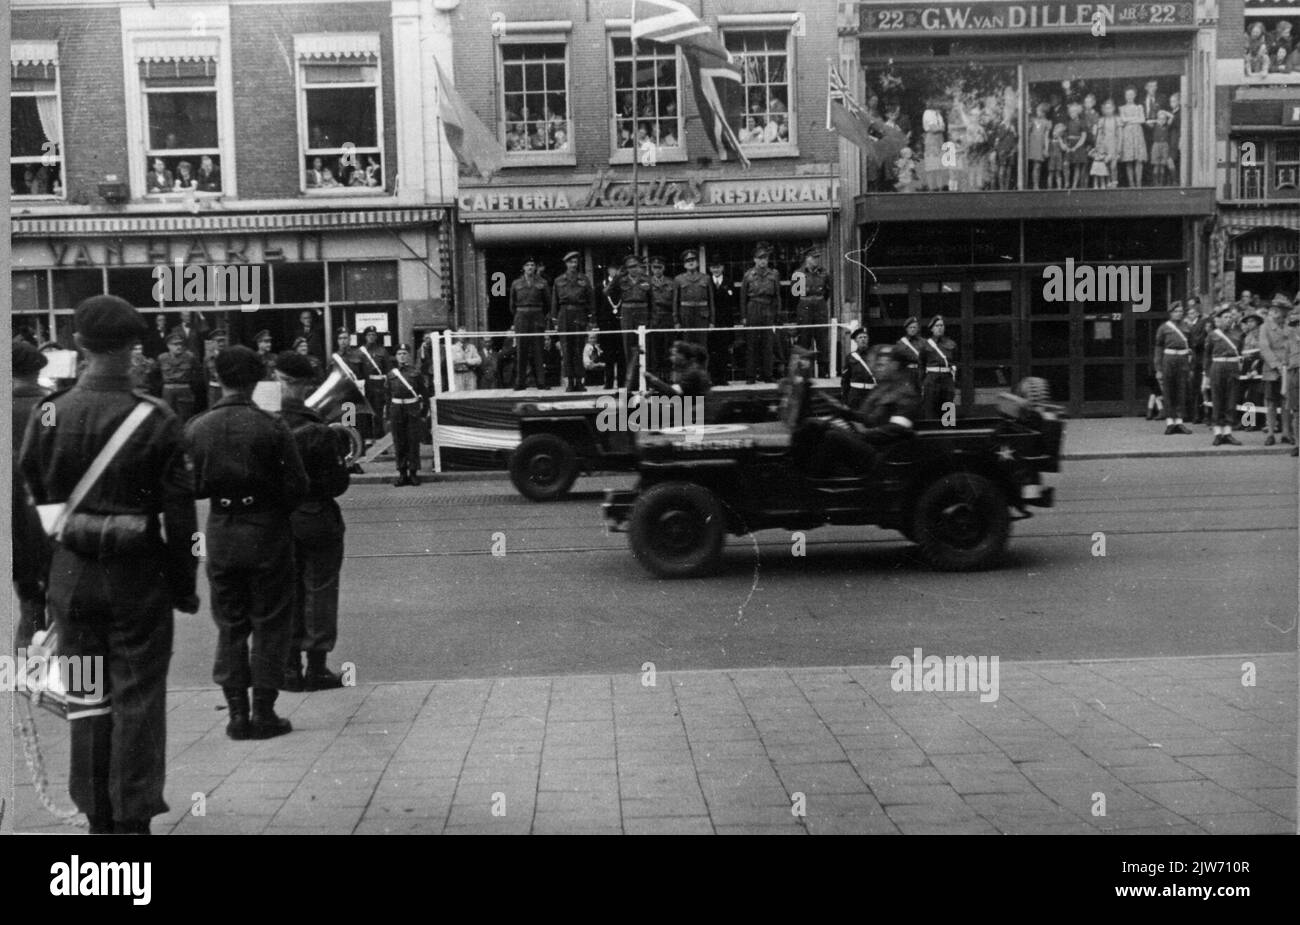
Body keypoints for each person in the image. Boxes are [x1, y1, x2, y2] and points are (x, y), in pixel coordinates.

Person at [19, 295, 199, 834]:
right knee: (138, 698)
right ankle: (133, 819)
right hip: (137, 576)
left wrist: (35, 590)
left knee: (86, 696)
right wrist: (183, 584)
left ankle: (96, 817)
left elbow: (31, 500)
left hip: (70, 576)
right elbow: (180, 516)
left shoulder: (52, 411)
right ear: (134, 347)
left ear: (77, 345)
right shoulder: (155, 416)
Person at [185, 346, 307, 740]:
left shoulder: (197, 427)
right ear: (258, 380)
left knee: (230, 623)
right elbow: (297, 486)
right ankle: (264, 711)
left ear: (216, 377)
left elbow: (192, 486)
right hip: (267, 531)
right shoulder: (272, 427)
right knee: (270, 621)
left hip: (221, 529)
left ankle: (236, 714)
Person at [274, 353, 350, 692]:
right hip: (317, 519)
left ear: (279, 381)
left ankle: (288, 668)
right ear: (306, 385)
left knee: (288, 592)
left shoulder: (268, 425)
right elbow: (338, 485)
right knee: (319, 590)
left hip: (278, 521)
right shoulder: (320, 431)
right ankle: (316, 668)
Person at [800, 344, 920, 477]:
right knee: (812, 425)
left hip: (882, 453)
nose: (878, 367)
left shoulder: (905, 393)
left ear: (895, 365)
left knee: (832, 437)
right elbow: (871, 419)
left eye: (884, 363)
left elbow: (896, 430)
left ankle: (813, 480)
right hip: (870, 442)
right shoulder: (886, 388)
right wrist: (846, 413)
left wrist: (862, 436)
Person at [12, 340, 52, 649]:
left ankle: (23, 678)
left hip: (14, 521)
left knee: (29, 604)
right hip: (50, 514)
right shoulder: (51, 406)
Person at [551, 250, 595, 392]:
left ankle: (579, 381)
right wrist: (555, 320)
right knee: (567, 349)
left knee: (578, 348)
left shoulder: (584, 279)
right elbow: (554, 302)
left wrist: (591, 317)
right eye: (570, 262)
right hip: (564, 314)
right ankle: (570, 381)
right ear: (566, 264)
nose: (573, 265)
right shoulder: (559, 280)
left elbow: (591, 299)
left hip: (579, 313)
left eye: (575, 262)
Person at [741, 243, 782, 383]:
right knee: (752, 343)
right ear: (755, 260)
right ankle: (750, 376)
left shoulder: (774, 274)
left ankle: (767, 375)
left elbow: (777, 296)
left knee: (768, 343)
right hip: (753, 307)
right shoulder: (748, 275)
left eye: (765, 258)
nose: (763, 261)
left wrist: (777, 314)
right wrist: (744, 316)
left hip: (768, 308)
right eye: (760, 258)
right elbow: (743, 298)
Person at [606, 255, 653, 375]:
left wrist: (652, 318)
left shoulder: (646, 279)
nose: (633, 269)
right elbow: (606, 291)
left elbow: (652, 300)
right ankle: (632, 379)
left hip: (642, 311)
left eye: (635, 266)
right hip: (627, 312)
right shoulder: (621, 280)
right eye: (630, 267)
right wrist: (616, 277)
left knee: (643, 344)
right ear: (626, 268)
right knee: (628, 345)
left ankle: (644, 377)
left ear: (639, 266)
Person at [388, 343, 427, 486]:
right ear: (396, 356)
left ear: (409, 355)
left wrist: (423, 411)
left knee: (413, 441)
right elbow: (388, 396)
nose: (402, 356)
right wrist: (388, 413)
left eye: (404, 353)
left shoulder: (415, 373)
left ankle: (414, 473)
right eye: (399, 353)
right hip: (397, 410)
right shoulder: (391, 374)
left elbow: (423, 392)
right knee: (399, 442)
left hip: (412, 409)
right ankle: (402, 473)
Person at [1205, 306, 1244, 446]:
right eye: (1225, 317)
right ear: (1219, 320)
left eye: (1230, 317)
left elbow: (1240, 354)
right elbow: (1207, 356)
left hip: (1232, 369)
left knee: (1231, 400)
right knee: (1217, 399)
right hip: (1217, 367)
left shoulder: (1238, 335)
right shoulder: (1212, 335)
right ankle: (1217, 433)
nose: (1228, 320)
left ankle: (1227, 432)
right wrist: (1206, 375)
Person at [510, 256, 551, 391]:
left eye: (532, 265)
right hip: (521, 317)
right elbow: (512, 305)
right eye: (527, 265)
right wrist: (520, 316)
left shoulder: (542, 283)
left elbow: (548, 304)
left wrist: (540, 316)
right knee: (521, 349)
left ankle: (541, 381)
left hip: (537, 316)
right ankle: (520, 382)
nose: (530, 267)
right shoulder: (516, 283)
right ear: (523, 268)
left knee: (538, 350)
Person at [1153, 302, 1193, 435]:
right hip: (1169, 359)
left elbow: (1191, 346)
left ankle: (1179, 422)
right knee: (1169, 391)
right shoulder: (1164, 328)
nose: (1179, 313)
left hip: (1182, 360)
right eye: (1176, 311)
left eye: (1181, 311)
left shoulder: (1187, 327)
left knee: (1181, 390)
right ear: (1171, 313)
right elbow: (1158, 348)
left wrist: (1190, 365)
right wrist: (1158, 368)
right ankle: (1170, 422)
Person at [793, 246, 833, 378]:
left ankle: (824, 372)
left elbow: (828, 292)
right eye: (813, 258)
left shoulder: (824, 273)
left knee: (822, 340)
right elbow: (794, 297)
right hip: (804, 308)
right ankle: (804, 373)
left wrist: (819, 303)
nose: (816, 260)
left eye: (817, 258)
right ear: (807, 258)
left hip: (820, 308)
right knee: (804, 339)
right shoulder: (799, 274)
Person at [1259, 296, 1294, 445]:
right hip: (1272, 371)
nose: (1284, 315)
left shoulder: (1290, 327)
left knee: (1287, 402)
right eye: (1282, 311)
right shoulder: (1265, 327)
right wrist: (1277, 365)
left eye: (1285, 312)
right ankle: (1271, 433)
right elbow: (1264, 348)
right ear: (1276, 311)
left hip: (1288, 368)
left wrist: (1289, 363)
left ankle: (1286, 433)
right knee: (1271, 402)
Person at [673, 249, 713, 350]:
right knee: (687, 346)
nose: (690, 262)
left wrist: (712, 321)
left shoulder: (706, 278)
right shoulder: (679, 279)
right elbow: (675, 302)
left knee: (702, 346)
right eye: (687, 261)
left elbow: (711, 301)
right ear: (684, 264)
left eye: (693, 260)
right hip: (686, 316)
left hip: (702, 316)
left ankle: (702, 366)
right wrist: (676, 321)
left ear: (698, 262)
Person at [920, 315, 958, 419]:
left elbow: (955, 360)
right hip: (932, 378)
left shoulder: (951, 344)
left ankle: (948, 430)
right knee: (930, 407)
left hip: (947, 378)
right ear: (932, 328)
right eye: (937, 326)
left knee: (948, 407)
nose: (939, 328)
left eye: (941, 325)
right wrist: (922, 382)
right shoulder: (926, 345)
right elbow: (921, 364)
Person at [708, 260, 739, 385]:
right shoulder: (707, 281)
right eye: (713, 267)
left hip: (725, 321)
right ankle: (712, 378)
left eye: (718, 267)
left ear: (722, 267)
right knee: (712, 350)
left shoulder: (728, 281)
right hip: (711, 321)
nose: (716, 270)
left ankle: (722, 378)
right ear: (710, 269)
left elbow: (733, 302)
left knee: (724, 350)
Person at [358, 327, 391, 439]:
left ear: (376, 337)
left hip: (379, 388)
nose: (371, 337)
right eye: (369, 335)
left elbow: (388, 370)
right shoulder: (360, 352)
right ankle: (368, 439)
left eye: (373, 335)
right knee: (366, 413)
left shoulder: (382, 351)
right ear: (365, 337)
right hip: (366, 387)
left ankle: (379, 440)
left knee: (378, 414)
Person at [647, 257, 677, 378]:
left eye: (659, 267)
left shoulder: (671, 282)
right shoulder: (647, 282)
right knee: (655, 352)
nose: (657, 270)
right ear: (651, 268)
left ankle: (668, 378)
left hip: (668, 320)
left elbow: (674, 301)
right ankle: (656, 379)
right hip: (654, 320)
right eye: (655, 267)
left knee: (669, 350)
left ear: (663, 268)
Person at [157, 332, 197, 422]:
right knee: (168, 418)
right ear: (168, 346)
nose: (179, 347)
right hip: (168, 391)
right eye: (175, 344)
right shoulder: (162, 358)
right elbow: (156, 374)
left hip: (184, 390)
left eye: (180, 344)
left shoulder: (190, 357)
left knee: (186, 417)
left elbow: (197, 372)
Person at [1239, 312, 1266, 428]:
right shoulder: (1247, 336)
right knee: (1247, 395)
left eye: (1251, 321)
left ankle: (1257, 423)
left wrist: (1256, 370)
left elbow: (1262, 354)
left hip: (1260, 366)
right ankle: (1248, 421)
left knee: (1256, 395)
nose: (1249, 324)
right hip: (1248, 367)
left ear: (1257, 322)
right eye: (1247, 321)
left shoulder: (1262, 334)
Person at [840, 326, 875, 412]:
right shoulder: (851, 357)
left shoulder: (874, 356)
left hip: (871, 394)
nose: (863, 339)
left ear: (868, 339)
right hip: (855, 395)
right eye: (860, 337)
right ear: (856, 340)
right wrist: (845, 401)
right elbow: (845, 381)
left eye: (865, 337)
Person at [896, 316, 925, 393]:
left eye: (914, 327)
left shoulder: (923, 342)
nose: (912, 329)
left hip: (920, 372)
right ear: (906, 329)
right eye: (910, 327)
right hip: (907, 374)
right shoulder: (901, 343)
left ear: (918, 329)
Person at [204, 328, 228, 408]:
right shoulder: (208, 358)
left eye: (223, 341)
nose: (221, 344)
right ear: (213, 343)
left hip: (227, 389)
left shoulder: (230, 356)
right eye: (218, 341)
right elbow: (206, 376)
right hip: (214, 389)